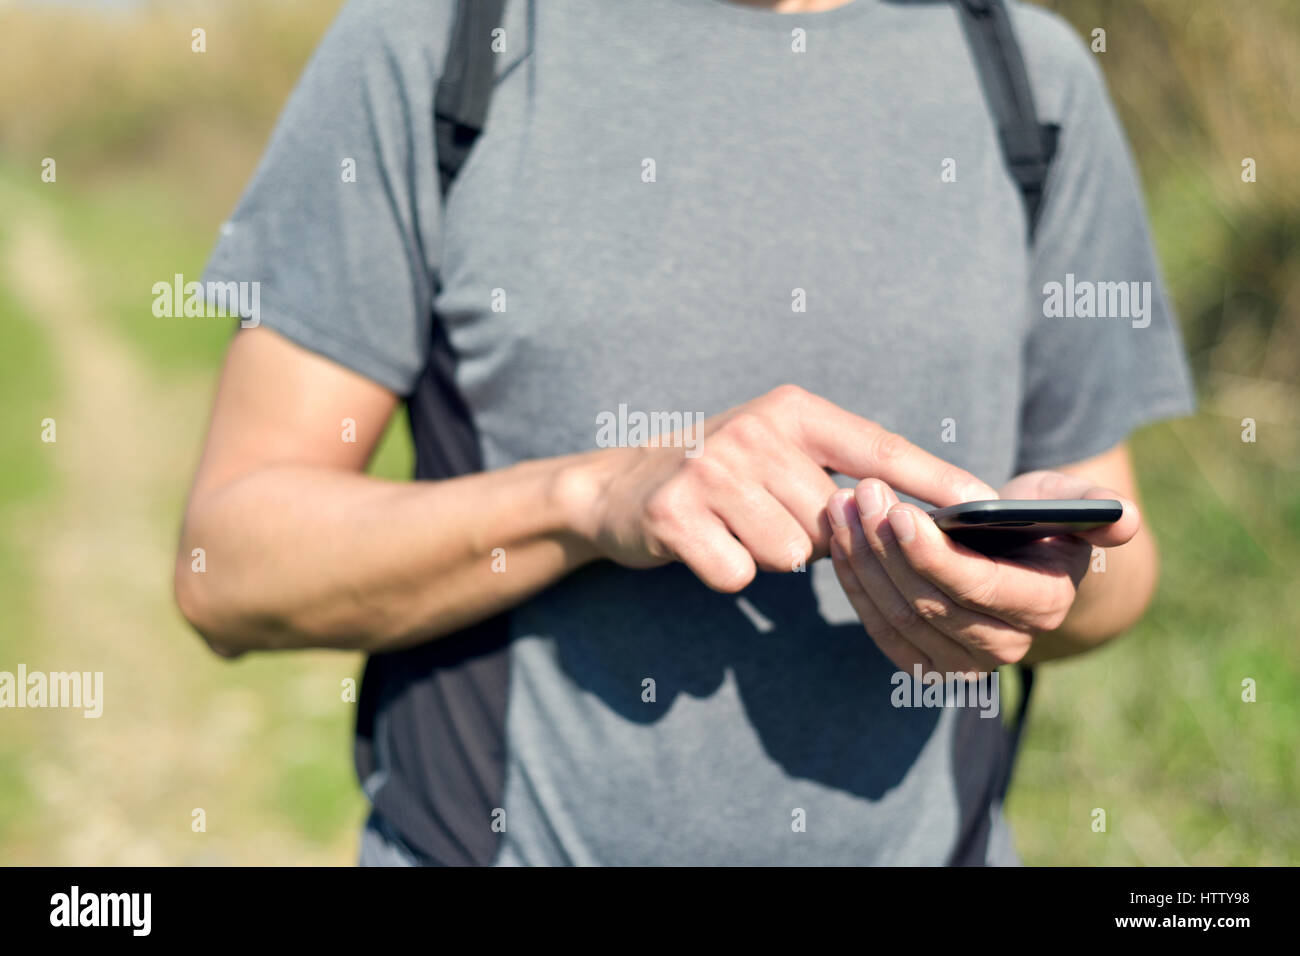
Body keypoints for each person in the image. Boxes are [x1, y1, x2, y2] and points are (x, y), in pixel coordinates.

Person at [175, 0, 1195, 866]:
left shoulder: (1027, 78)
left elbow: (1120, 561)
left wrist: (1036, 582)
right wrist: (586, 497)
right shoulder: (437, 41)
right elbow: (228, 568)